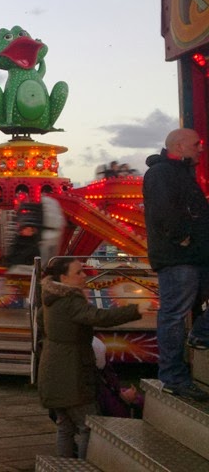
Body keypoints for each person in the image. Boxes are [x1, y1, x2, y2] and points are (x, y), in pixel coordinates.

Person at [37, 259, 146, 459]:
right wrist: (133, 310)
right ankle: (83, 467)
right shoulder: (71, 301)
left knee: (65, 426)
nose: (84, 276)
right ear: (64, 278)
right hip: (72, 373)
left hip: (52, 371)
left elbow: (39, 319)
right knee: (88, 425)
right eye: (78, 272)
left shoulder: (50, 298)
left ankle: (64, 467)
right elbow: (99, 317)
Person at [143, 127, 209, 402]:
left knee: (174, 314)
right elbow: (165, 212)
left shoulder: (177, 173)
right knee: (173, 315)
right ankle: (173, 377)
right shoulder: (162, 174)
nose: (201, 148)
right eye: (197, 143)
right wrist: (183, 238)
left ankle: (200, 335)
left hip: (193, 255)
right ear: (180, 146)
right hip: (179, 257)